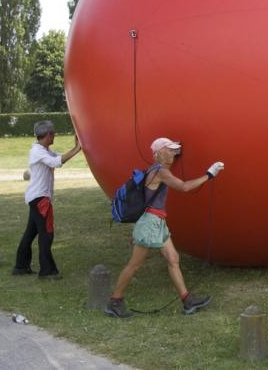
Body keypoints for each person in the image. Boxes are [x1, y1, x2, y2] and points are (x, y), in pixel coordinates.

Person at [105, 137, 224, 318]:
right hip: (150, 223)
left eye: (175, 150)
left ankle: (187, 301)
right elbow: (184, 187)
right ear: (158, 153)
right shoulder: (160, 171)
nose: (174, 154)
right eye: (170, 150)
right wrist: (209, 175)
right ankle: (115, 301)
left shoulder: (154, 170)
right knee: (135, 264)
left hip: (157, 222)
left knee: (173, 258)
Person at [13, 120, 82, 279]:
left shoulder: (43, 150)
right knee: (46, 234)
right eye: (53, 133)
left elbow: (59, 157)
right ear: (48, 134)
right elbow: (56, 162)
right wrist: (78, 148)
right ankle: (47, 271)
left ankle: (21, 266)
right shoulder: (37, 151)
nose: (55, 136)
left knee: (30, 234)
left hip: (36, 198)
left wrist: (75, 148)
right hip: (40, 199)